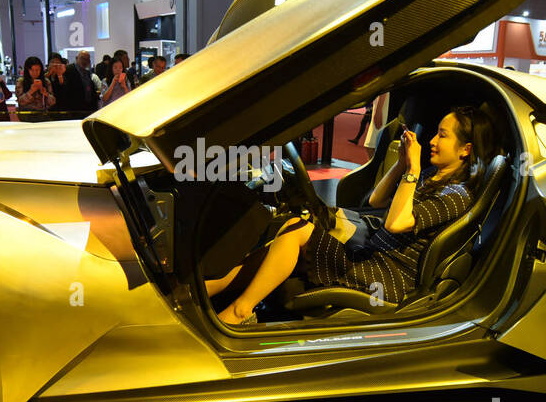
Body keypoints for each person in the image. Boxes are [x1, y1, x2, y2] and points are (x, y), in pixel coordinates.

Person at [208, 106, 495, 326]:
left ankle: (240, 310)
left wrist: (413, 170)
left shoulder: (456, 195)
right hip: (372, 255)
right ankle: (213, 287)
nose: (433, 140)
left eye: (442, 136)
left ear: (465, 149)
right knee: (283, 236)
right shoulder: (435, 178)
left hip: (386, 276)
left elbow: (396, 223)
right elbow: (376, 200)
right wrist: (402, 166)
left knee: (297, 229)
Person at [57, 49, 99, 117]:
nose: (84, 61)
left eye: (87, 59)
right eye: (82, 58)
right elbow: (63, 90)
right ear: (76, 58)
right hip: (73, 111)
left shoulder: (87, 72)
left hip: (87, 110)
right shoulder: (68, 70)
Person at [16, 57, 54, 121]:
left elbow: (53, 102)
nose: (35, 73)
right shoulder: (21, 82)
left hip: (43, 115)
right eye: (32, 70)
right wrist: (31, 91)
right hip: (26, 115)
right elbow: (21, 101)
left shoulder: (46, 82)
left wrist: (45, 94)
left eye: (37, 70)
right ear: (28, 70)